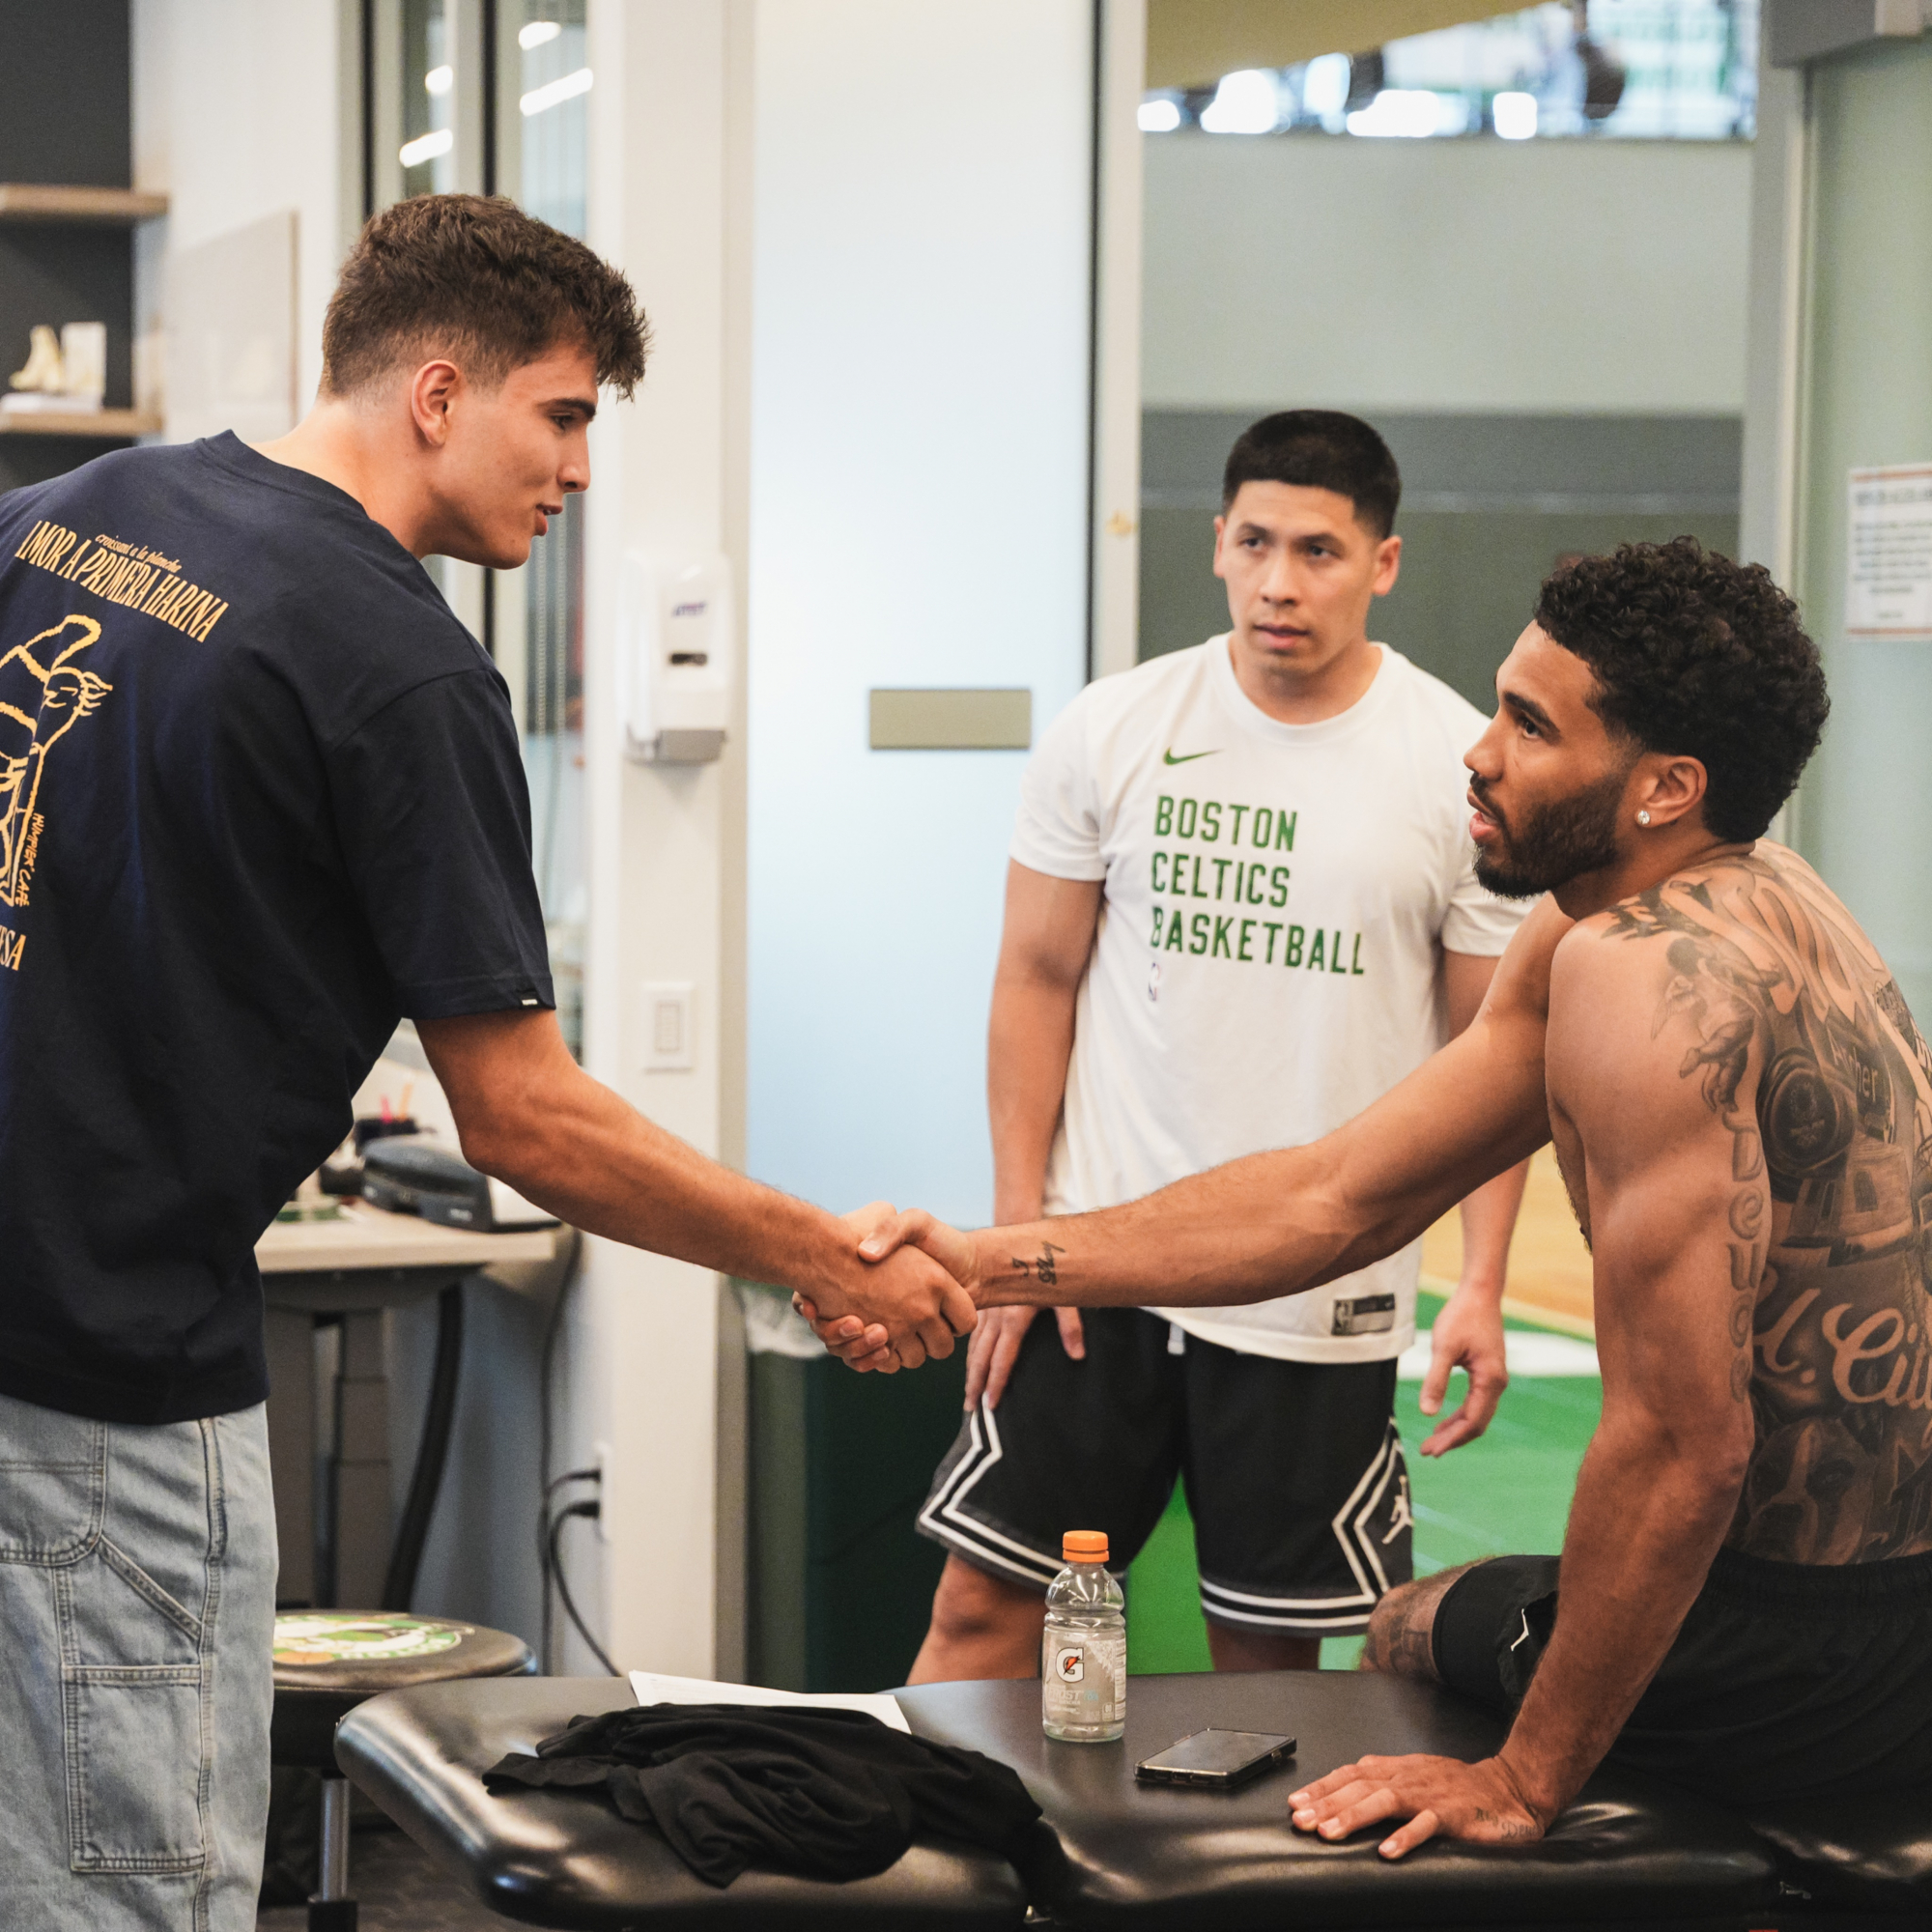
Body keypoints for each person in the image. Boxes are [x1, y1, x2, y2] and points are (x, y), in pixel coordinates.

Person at [0, 192, 969, 1931]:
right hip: (109, 1379)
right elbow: (521, 1118)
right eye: (568, 414)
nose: (583, 471)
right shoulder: (400, 669)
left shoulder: (78, 511)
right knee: (128, 1894)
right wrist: (825, 1256)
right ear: (439, 394)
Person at [810, 538, 1932, 1845]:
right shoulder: (1747, 900)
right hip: (1877, 1595)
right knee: (1409, 1619)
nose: (1480, 751)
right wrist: (985, 1258)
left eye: (1530, 727)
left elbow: (1687, 1448)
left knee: (1408, 1640)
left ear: (1663, 787)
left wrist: (1522, 1783)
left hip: (1804, 1655)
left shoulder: (1645, 981)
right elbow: (1334, 1200)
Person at [908, 411, 1531, 1687]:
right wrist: (1020, 1237)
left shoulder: (1448, 764)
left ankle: (1239, 1896)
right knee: (977, 1618)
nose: (1279, 583)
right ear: (1216, 545)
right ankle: (938, 1881)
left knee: (1264, 1668)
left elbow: (1490, 1057)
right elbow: (1034, 978)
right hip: (1098, 1273)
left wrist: (1479, 1281)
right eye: (1255, 543)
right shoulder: (1114, 726)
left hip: (1316, 1293)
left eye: (1318, 550)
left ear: (1385, 564)